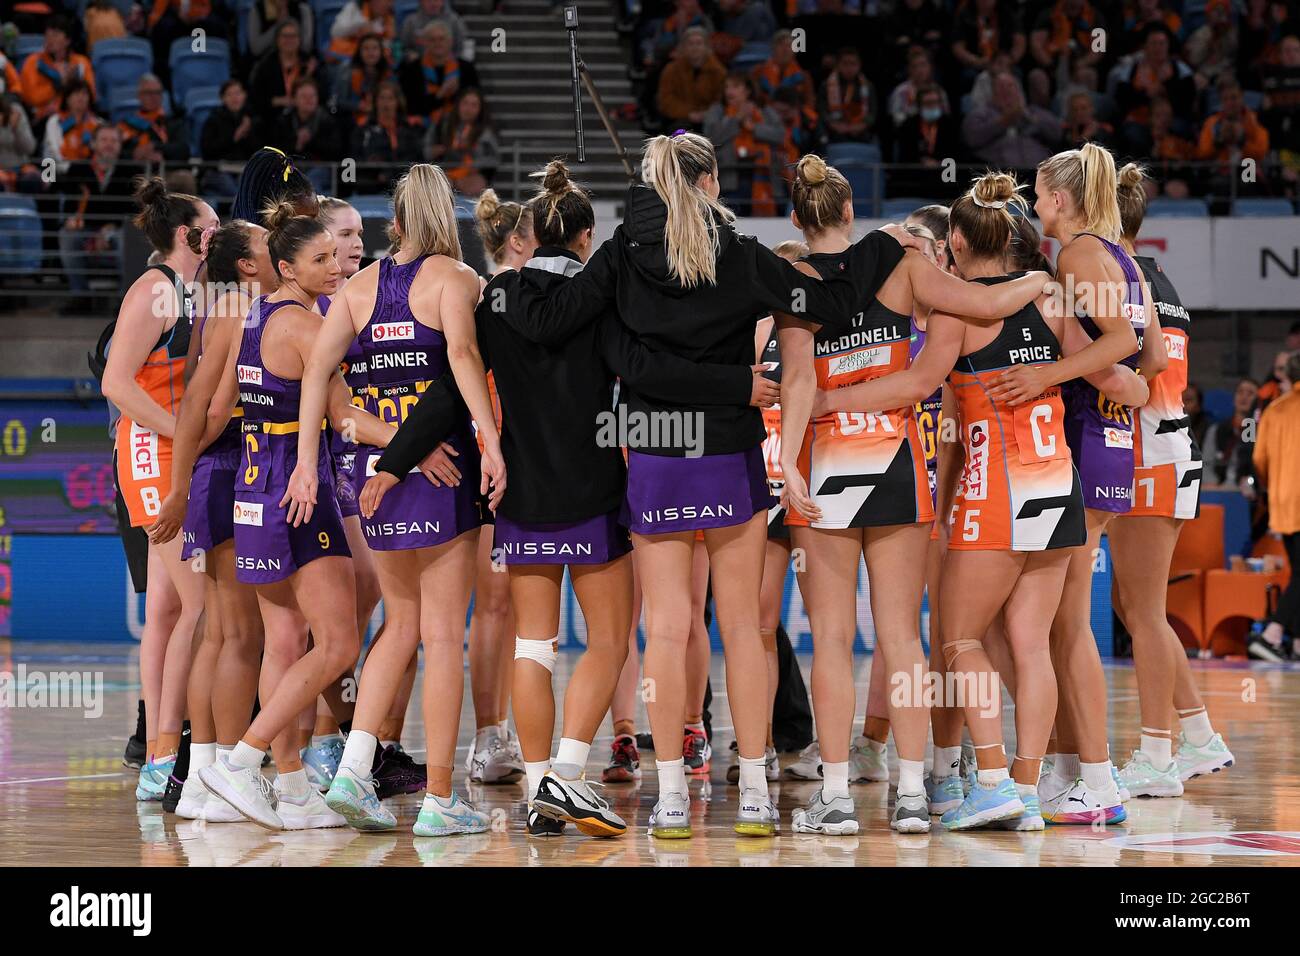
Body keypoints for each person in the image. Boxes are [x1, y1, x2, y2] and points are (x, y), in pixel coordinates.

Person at [496, 132, 1048, 838]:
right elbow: (835, 301)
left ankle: (670, 797)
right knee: (747, 631)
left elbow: (571, 333)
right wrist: (883, 249)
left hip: (659, 452)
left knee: (664, 630)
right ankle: (759, 788)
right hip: (735, 450)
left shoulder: (621, 256)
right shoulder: (740, 253)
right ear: (708, 185)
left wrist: (508, 289)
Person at [371, 160, 773, 837]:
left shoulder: (494, 300)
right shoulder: (603, 299)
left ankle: (537, 789)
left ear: (528, 237)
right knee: (611, 642)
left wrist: (393, 460)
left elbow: (448, 392)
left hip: (521, 494)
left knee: (534, 648)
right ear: (587, 238)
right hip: (595, 489)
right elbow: (646, 370)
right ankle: (565, 771)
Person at [815, 170, 1148, 831]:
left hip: (995, 490)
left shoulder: (956, 313)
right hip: (1060, 486)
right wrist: (1074, 378)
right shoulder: (1053, 300)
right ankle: (1024, 793)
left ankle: (991, 777)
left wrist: (826, 402)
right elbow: (1128, 380)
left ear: (958, 240)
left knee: (962, 638)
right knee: (1029, 642)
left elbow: (913, 385)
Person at [777, 158, 1054, 834]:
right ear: (848, 212)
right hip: (900, 465)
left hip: (827, 468)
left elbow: (795, 387)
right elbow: (986, 302)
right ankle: (909, 793)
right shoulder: (899, 261)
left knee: (834, 641)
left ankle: (837, 797)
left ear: (796, 221)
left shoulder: (791, 284)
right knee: (903, 638)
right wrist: (1043, 275)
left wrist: (786, 464)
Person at [289, 164, 503, 837]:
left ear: (396, 222)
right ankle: (440, 799)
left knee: (400, 628)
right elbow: (466, 361)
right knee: (442, 638)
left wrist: (303, 462)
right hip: (438, 474)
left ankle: (355, 768)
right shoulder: (455, 279)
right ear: (448, 216)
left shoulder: (354, 290)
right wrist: (492, 444)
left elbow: (317, 375)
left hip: (369, 472)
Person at [196, 201, 395, 830]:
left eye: (337, 256)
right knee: (336, 643)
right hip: (297, 491)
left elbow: (219, 402)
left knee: (283, 641)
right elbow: (347, 419)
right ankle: (243, 759)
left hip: (253, 489)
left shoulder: (254, 316)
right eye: (321, 259)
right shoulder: (309, 331)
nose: (336, 268)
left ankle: (292, 788)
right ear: (286, 265)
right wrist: (414, 437)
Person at [992, 143, 1167, 826]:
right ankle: (1076, 772)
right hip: (1111, 439)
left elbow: (1123, 344)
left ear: (1059, 199)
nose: (1034, 209)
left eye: (1038, 196)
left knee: (1065, 625)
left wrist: (1049, 375)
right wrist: (1121, 386)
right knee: (1062, 622)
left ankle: (1094, 777)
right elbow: (1151, 361)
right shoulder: (1123, 253)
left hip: (1086, 439)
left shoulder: (1078, 255)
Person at [1109, 163, 1235, 794]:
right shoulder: (1163, 280)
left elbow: (1137, 367)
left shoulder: (1123, 281)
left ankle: (1157, 759)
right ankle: (1198, 734)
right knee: (1136, 608)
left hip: (1149, 448)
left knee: (1143, 611)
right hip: (1164, 446)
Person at [148, 219, 277, 822]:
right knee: (241, 636)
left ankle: (201, 774)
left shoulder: (221, 304)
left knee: (217, 631)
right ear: (247, 264)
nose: (277, 249)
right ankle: (228, 771)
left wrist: (181, 485)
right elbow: (215, 403)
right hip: (228, 467)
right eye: (265, 246)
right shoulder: (246, 309)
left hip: (209, 472)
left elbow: (197, 399)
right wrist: (183, 485)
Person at [101, 178, 218, 802]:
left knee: (171, 610)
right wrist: (184, 433)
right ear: (186, 234)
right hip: (152, 455)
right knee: (201, 605)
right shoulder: (155, 288)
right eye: (212, 225)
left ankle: (159, 757)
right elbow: (116, 384)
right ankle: (177, 755)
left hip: (176, 451)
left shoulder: (197, 291)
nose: (219, 233)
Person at [1252, 351, 1300, 661]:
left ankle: (1295, 642)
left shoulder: (1275, 409)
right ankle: (1272, 632)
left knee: (1298, 569)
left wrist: (1275, 485)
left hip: (1283, 499)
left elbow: (1259, 459)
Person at [19, 16, 95, 123]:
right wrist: (57, 85)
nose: (49, 39)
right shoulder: (33, 62)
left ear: (67, 40)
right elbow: (32, 98)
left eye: (55, 35)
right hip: (45, 117)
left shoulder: (81, 62)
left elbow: (91, 95)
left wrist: (70, 84)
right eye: (47, 35)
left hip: (78, 115)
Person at [657, 27, 727, 133]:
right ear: (684, 47)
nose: (695, 47)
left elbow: (721, 99)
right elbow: (666, 99)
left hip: (710, 119)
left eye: (699, 43)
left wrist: (706, 114)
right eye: (690, 43)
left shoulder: (718, 71)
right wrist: (689, 113)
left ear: (707, 47)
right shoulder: (671, 70)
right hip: (679, 119)